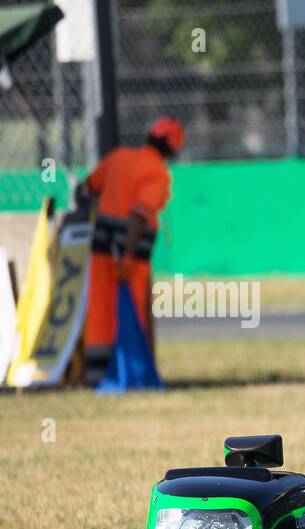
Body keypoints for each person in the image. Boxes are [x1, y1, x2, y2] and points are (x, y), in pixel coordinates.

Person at [77, 116, 184, 381]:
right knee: (135, 315)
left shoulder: (118, 157)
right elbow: (139, 214)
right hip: (131, 260)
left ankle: (99, 374)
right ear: (171, 147)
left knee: (102, 311)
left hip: (101, 253)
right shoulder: (157, 173)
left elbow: (88, 187)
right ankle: (135, 371)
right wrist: (126, 257)